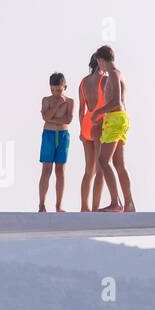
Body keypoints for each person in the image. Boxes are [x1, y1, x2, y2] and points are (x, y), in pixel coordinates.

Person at [96, 46, 134, 214]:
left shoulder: (112, 74)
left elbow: (117, 102)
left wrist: (98, 111)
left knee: (103, 161)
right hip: (119, 119)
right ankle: (129, 204)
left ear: (101, 60)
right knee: (118, 164)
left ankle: (115, 203)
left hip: (115, 118)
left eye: (99, 62)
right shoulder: (117, 73)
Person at [39, 73, 74, 212]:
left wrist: (51, 119)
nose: (55, 93)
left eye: (59, 90)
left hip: (63, 136)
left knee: (60, 171)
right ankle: (41, 204)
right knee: (46, 169)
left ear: (64, 87)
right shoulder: (46, 100)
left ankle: (58, 205)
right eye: (53, 90)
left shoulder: (70, 101)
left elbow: (68, 120)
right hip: (49, 135)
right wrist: (57, 106)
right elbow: (44, 117)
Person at [78, 52, 106, 211]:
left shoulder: (83, 82)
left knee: (89, 170)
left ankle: (84, 206)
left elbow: (82, 109)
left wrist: (82, 131)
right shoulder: (104, 80)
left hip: (87, 124)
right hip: (99, 124)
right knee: (101, 169)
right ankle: (95, 208)